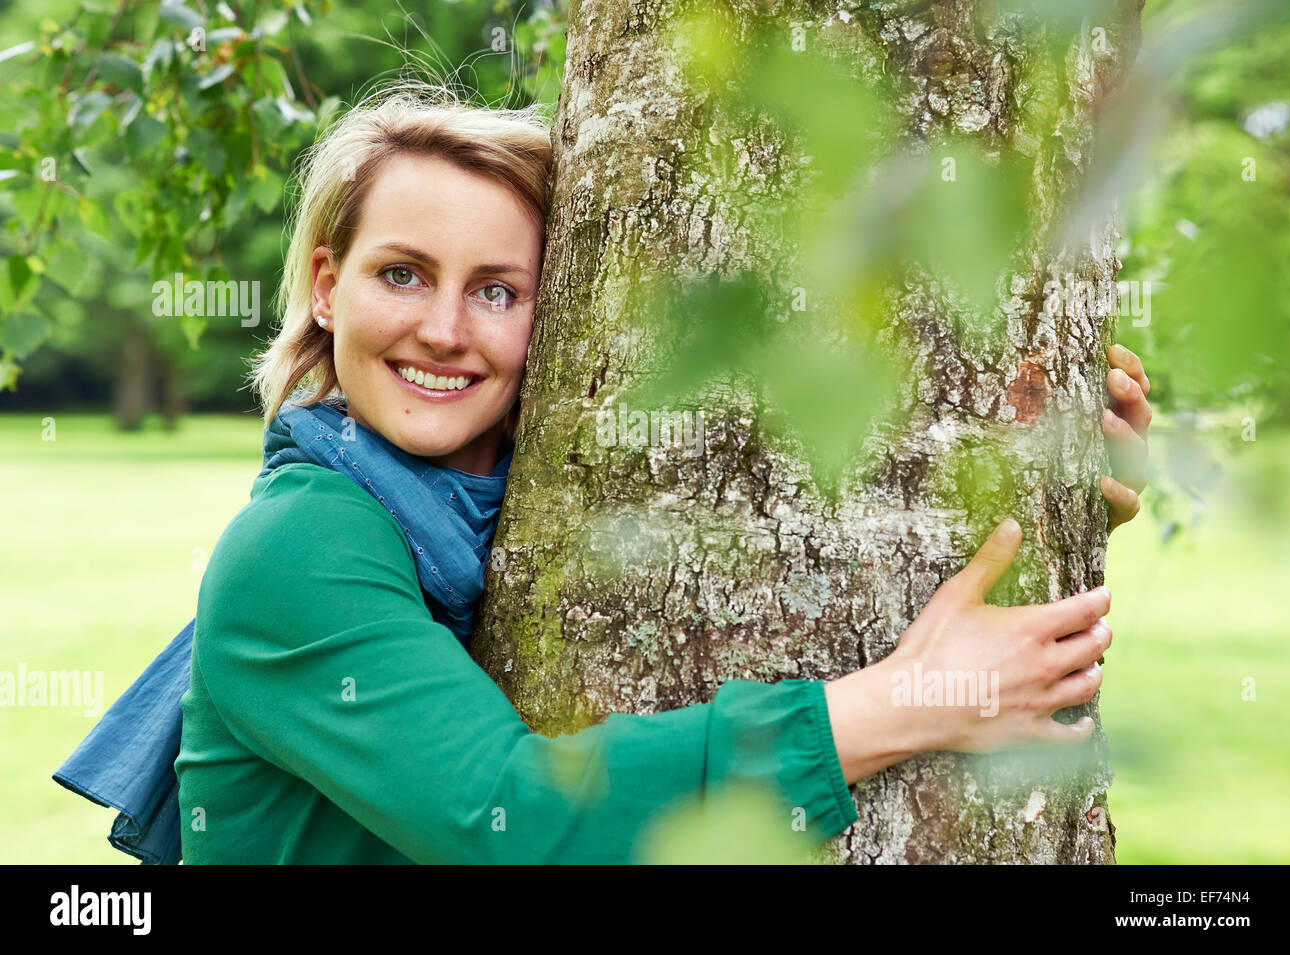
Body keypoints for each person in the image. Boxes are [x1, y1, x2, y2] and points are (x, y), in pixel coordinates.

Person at [55, 83, 1154, 864]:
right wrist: (903, 704)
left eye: (498, 290)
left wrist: (1043, 487)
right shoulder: (303, 542)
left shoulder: (508, 503)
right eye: (403, 273)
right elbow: (520, 821)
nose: (444, 329)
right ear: (330, 285)